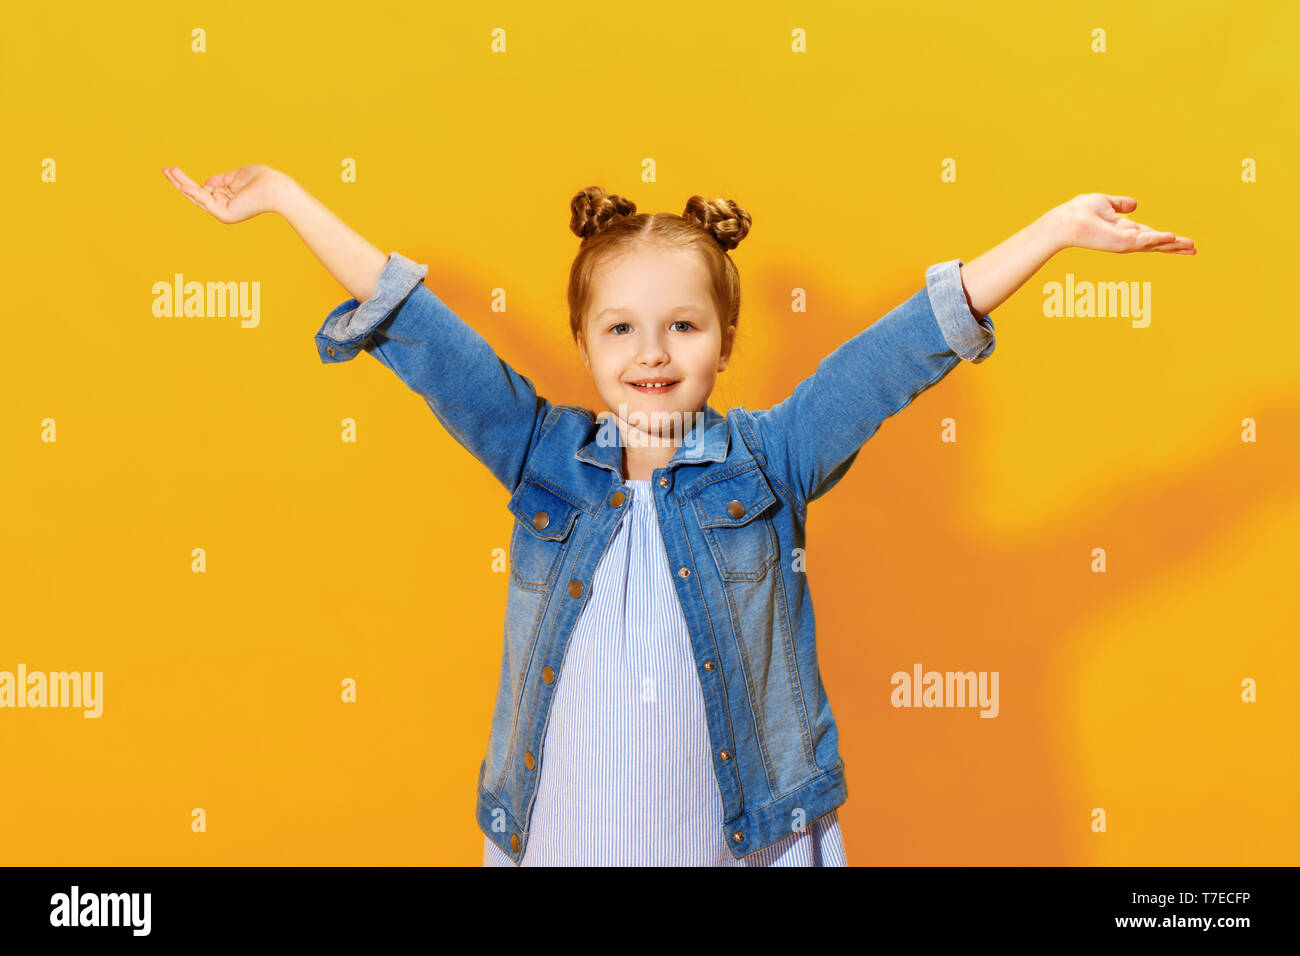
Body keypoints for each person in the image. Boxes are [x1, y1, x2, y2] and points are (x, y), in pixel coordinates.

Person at [161, 165, 1196, 865]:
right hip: (567, 832)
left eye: (682, 324)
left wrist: (1054, 232)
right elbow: (422, 330)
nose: (651, 352)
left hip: (735, 832)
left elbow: (897, 354)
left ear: (725, 336)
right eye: (621, 326)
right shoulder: (541, 460)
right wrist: (289, 200)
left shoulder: (770, 460)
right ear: (582, 338)